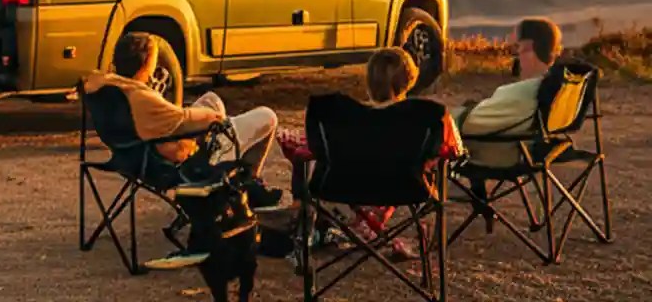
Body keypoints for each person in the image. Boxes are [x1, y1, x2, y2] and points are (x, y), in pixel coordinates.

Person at [82, 31, 284, 269]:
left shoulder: (108, 85)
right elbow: (181, 117)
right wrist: (216, 119)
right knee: (266, 117)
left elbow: (162, 117)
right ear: (147, 62)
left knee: (211, 97)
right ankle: (247, 183)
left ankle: (244, 184)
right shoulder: (138, 96)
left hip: (127, 156)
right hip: (176, 164)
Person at [275, 47, 465, 261]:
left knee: (310, 163)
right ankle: (418, 241)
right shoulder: (426, 117)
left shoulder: (341, 120)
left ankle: (306, 235)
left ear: (369, 80)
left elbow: (308, 153)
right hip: (407, 188)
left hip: (340, 188)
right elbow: (453, 153)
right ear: (409, 80)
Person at [452, 17, 563, 169]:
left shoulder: (522, 92)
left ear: (528, 47)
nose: (515, 59)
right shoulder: (553, 86)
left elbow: (469, 124)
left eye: (516, 49)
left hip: (500, 153)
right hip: (527, 147)